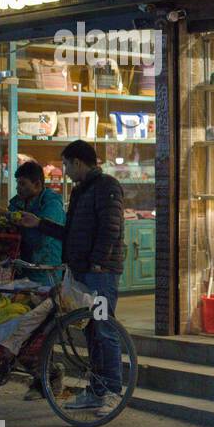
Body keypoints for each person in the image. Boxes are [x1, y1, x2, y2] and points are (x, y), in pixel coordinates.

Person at [18, 140, 126, 412]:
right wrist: (40, 224)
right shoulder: (80, 192)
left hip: (100, 275)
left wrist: (99, 262)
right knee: (90, 331)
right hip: (81, 272)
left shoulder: (107, 187)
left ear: (78, 162)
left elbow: (110, 228)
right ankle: (95, 390)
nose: (64, 170)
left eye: (66, 164)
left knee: (104, 330)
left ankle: (112, 392)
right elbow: (72, 233)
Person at [0, 161, 66, 400]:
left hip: (47, 267)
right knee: (21, 324)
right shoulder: (16, 201)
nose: (19, 188)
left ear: (38, 184)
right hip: (23, 268)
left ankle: (47, 377)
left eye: (23, 184)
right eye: (17, 184)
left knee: (38, 328)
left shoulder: (51, 201)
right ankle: (38, 376)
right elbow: (11, 222)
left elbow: (39, 223)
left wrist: (7, 215)